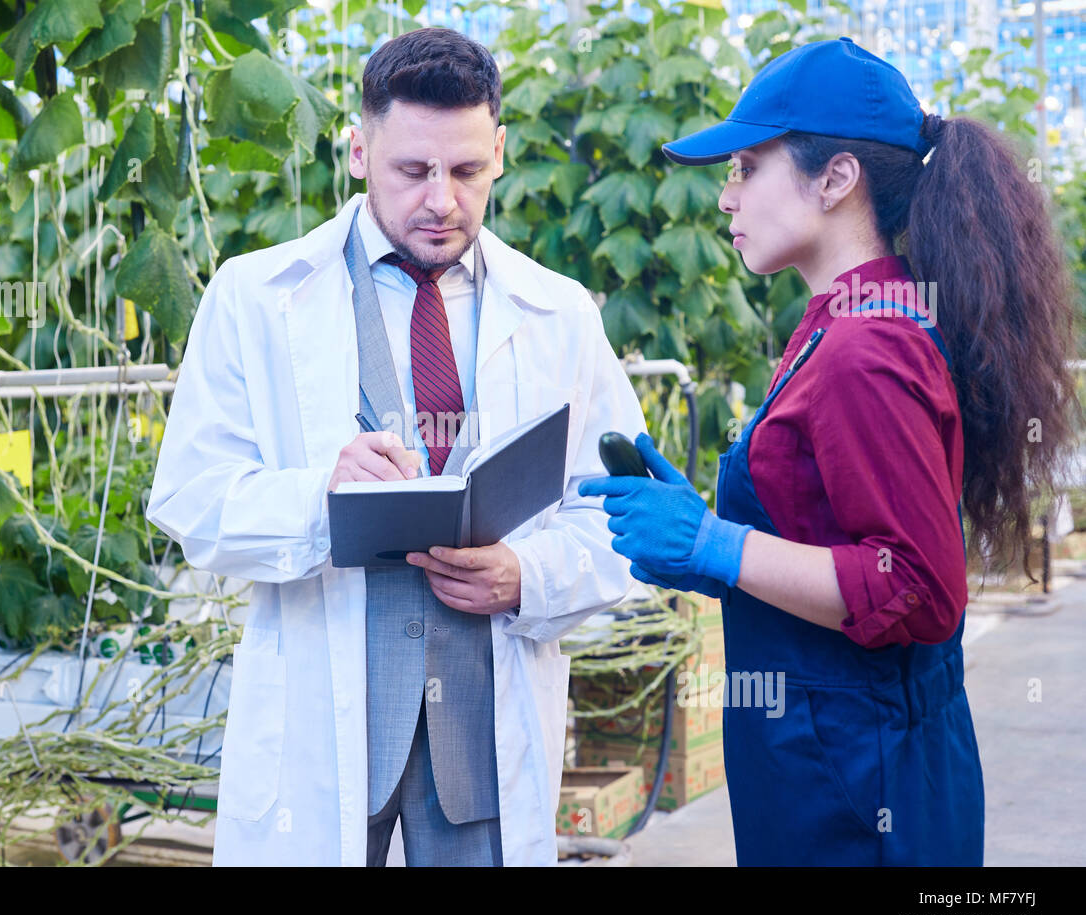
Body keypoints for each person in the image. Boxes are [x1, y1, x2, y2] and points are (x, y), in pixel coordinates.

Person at [146, 27, 646, 866]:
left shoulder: (559, 313)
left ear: (499, 152)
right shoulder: (256, 299)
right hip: (325, 732)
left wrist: (531, 576)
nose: (441, 200)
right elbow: (191, 499)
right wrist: (321, 495)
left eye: (466, 171)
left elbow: (620, 513)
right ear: (357, 150)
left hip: (483, 737)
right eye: (412, 171)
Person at [579, 36, 1080, 865]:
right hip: (839, 760)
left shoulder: (864, 348)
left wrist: (716, 544)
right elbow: (830, 533)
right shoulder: (841, 322)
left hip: (856, 781)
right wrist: (710, 553)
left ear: (836, 177)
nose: (726, 198)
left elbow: (920, 588)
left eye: (745, 167)